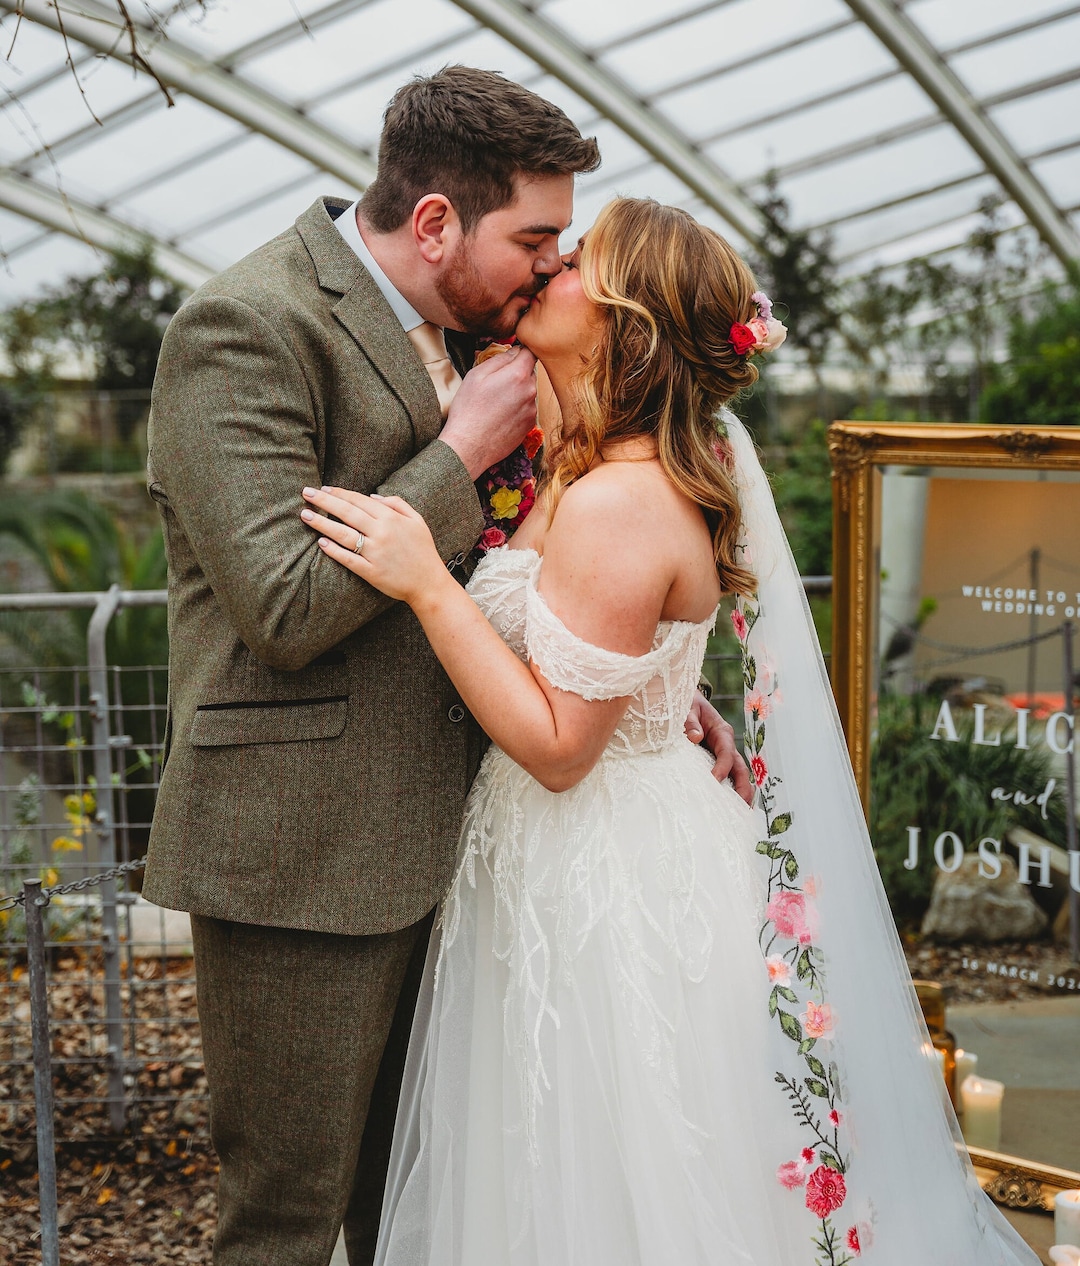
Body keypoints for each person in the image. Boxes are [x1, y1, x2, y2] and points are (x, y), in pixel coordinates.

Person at [302, 197, 1042, 1265]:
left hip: (605, 874)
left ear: (625, 323)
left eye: (576, 263)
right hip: (574, 849)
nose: (548, 269)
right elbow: (592, 655)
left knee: (609, 1167)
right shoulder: (594, 471)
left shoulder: (619, 501)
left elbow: (561, 749)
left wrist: (426, 582)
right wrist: (661, 693)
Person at [143, 70, 742, 1266]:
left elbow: (563, 570)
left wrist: (638, 683)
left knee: (431, 1214)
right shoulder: (245, 328)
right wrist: (460, 452)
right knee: (288, 1224)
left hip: (484, 858)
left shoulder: (496, 326)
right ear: (434, 224)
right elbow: (282, 606)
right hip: (309, 857)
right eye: (536, 238)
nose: (552, 264)